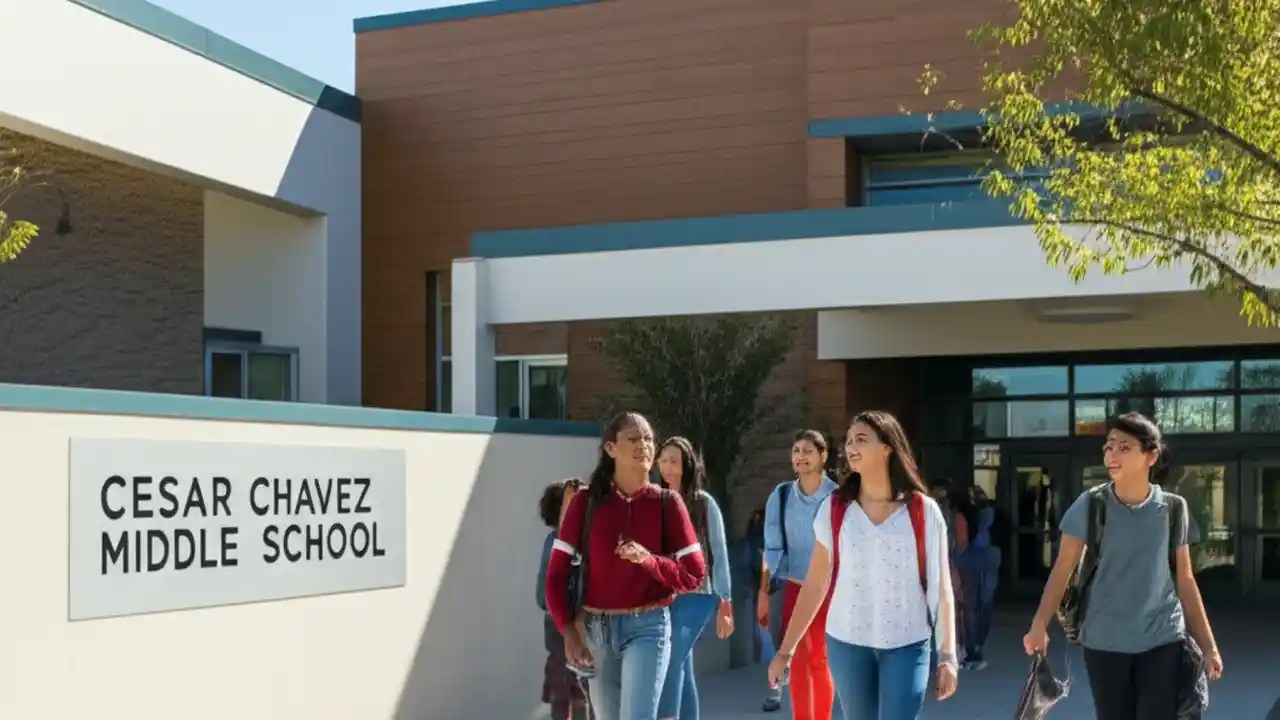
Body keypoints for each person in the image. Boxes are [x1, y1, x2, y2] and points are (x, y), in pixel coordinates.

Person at [1022, 412, 1224, 720]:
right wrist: (1039, 624)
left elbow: (1185, 580)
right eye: (1108, 446)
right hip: (1105, 639)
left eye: (1124, 447)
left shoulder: (1172, 509)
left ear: (1151, 455)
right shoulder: (1091, 505)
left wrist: (1209, 646)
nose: (1111, 454)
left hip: (1162, 636)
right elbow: (1062, 570)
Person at [768, 411, 959, 720]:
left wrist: (948, 655)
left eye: (861, 439)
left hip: (908, 642)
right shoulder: (835, 509)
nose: (850, 446)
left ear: (887, 448)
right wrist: (785, 651)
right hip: (847, 643)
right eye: (848, 440)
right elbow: (815, 583)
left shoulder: (923, 511)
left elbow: (942, 588)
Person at [545, 412, 708, 720]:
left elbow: (695, 574)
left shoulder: (668, 503)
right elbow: (556, 574)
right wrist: (568, 631)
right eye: (632, 439)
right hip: (597, 630)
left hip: (650, 626)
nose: (643, 445)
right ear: (611, 449)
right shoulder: (585, 502)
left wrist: (650, 561)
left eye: (648, 439)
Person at [759, 430, 839, 720]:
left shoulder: (838, 497)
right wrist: (765, 593)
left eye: (808, 450)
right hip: (792, 586)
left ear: (823, 456)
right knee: (795, 658)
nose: (801, 456)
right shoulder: (780, 496)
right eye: (796, 451)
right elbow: (771, 549)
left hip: (828, 590)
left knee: (819, 657)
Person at [655, 437, 733, 720]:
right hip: (668, 597)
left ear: (687, 465)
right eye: (663, 461)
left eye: (674, 461)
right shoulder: (656, 501)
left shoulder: (703, 503)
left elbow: (720, 553)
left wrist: (725, 602)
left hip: (700, 595)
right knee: (682, 665)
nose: (668, 468)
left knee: (671, 659)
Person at [536, 478, 590, 720]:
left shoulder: (584, 539)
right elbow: (543, 593)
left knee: (579, 692)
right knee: (569, 692)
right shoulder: (558, 542)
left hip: (580, 623)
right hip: (562, 625)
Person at [957, 486, 1001, 671]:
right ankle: (974, 648)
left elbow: (962, 542)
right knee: (978, 607)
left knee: (972, 608)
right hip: (983, 561)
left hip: (973, 562)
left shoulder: (971, 517)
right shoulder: (986, 517)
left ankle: (972, 648)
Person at [746, 507, 784, 712]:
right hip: (771, 590)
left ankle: (776, 690)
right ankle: (775, 689)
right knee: (772, 645)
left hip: (775, 589)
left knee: (774, 645)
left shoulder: (762, 533)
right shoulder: (762, 534)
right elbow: (763, 562)